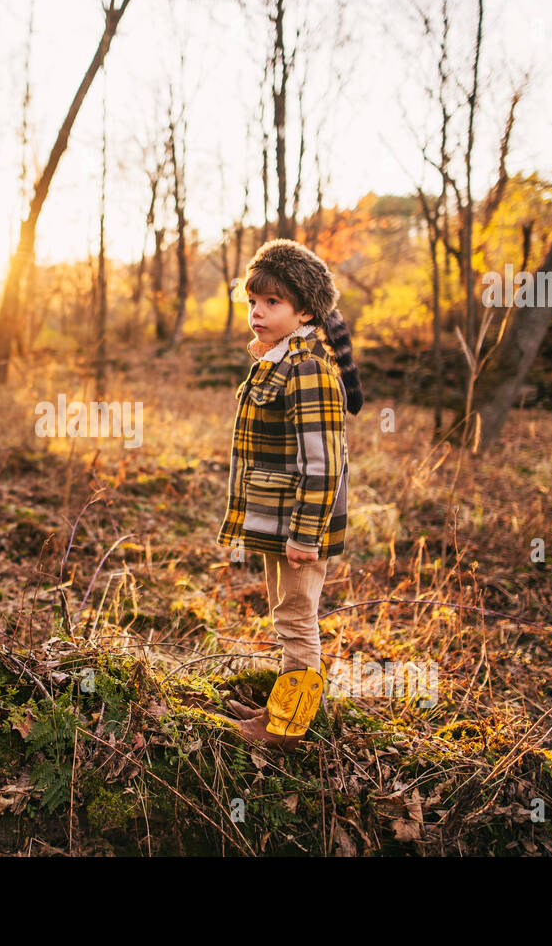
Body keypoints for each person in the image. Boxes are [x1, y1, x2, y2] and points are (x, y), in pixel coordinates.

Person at [215, 239, 363, 750]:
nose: (257, 312)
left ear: (303, 310)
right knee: (286, 613)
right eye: (253, 301)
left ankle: (287, 727)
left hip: (299, 523)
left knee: (299, 620)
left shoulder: (308, 368)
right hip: (278, 518)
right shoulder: (275, 359)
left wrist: (306, 534)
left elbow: (323, 464)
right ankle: (283, 705)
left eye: (272, 302)